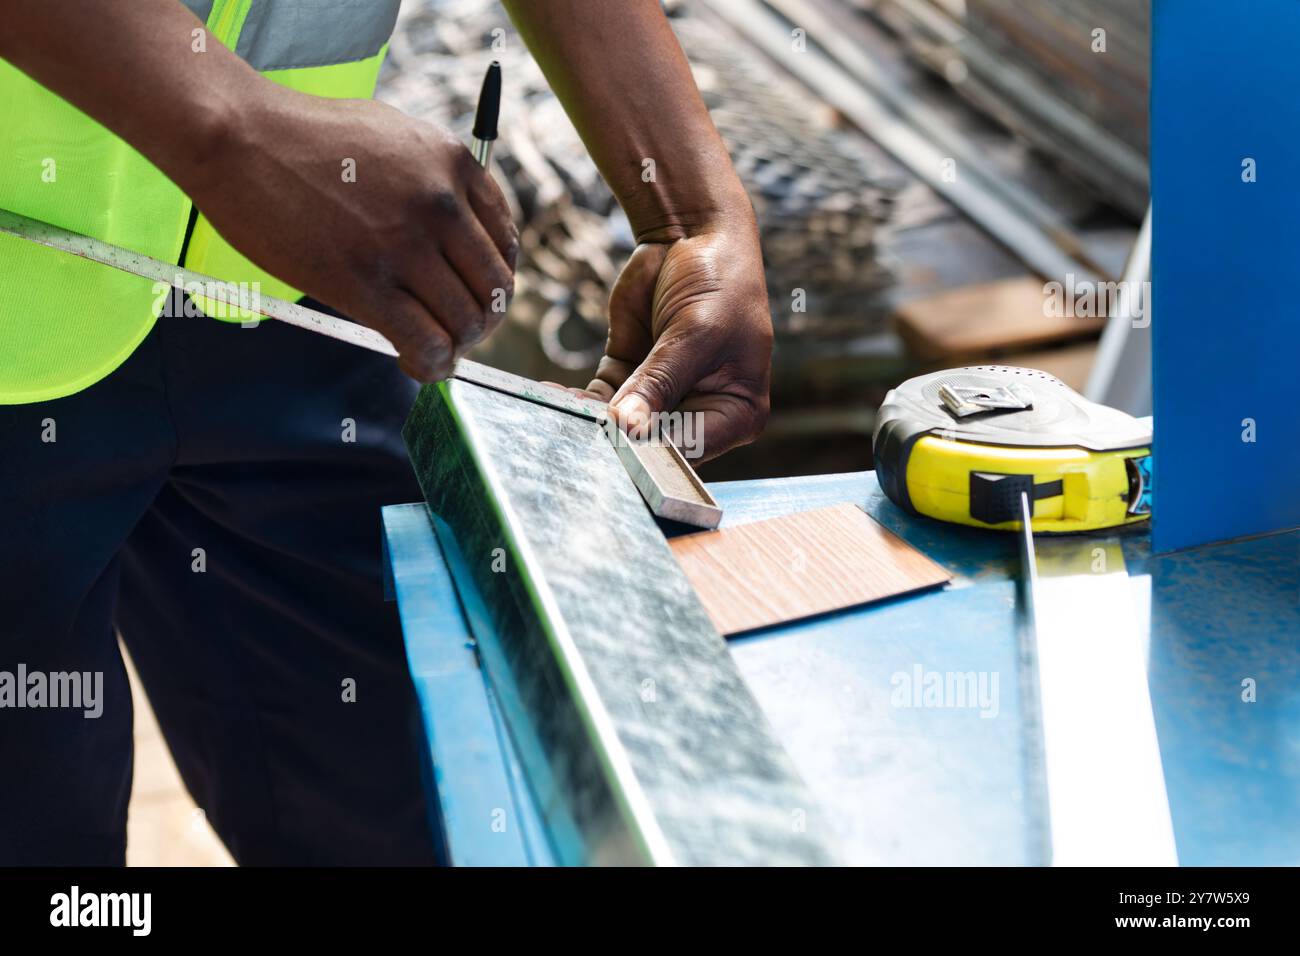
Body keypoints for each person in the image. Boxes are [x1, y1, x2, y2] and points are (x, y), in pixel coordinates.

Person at [0, 0, 772, 865]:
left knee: (420, 779)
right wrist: (230, 130)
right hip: (20, 305)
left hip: (280, 290)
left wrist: (690, 214)